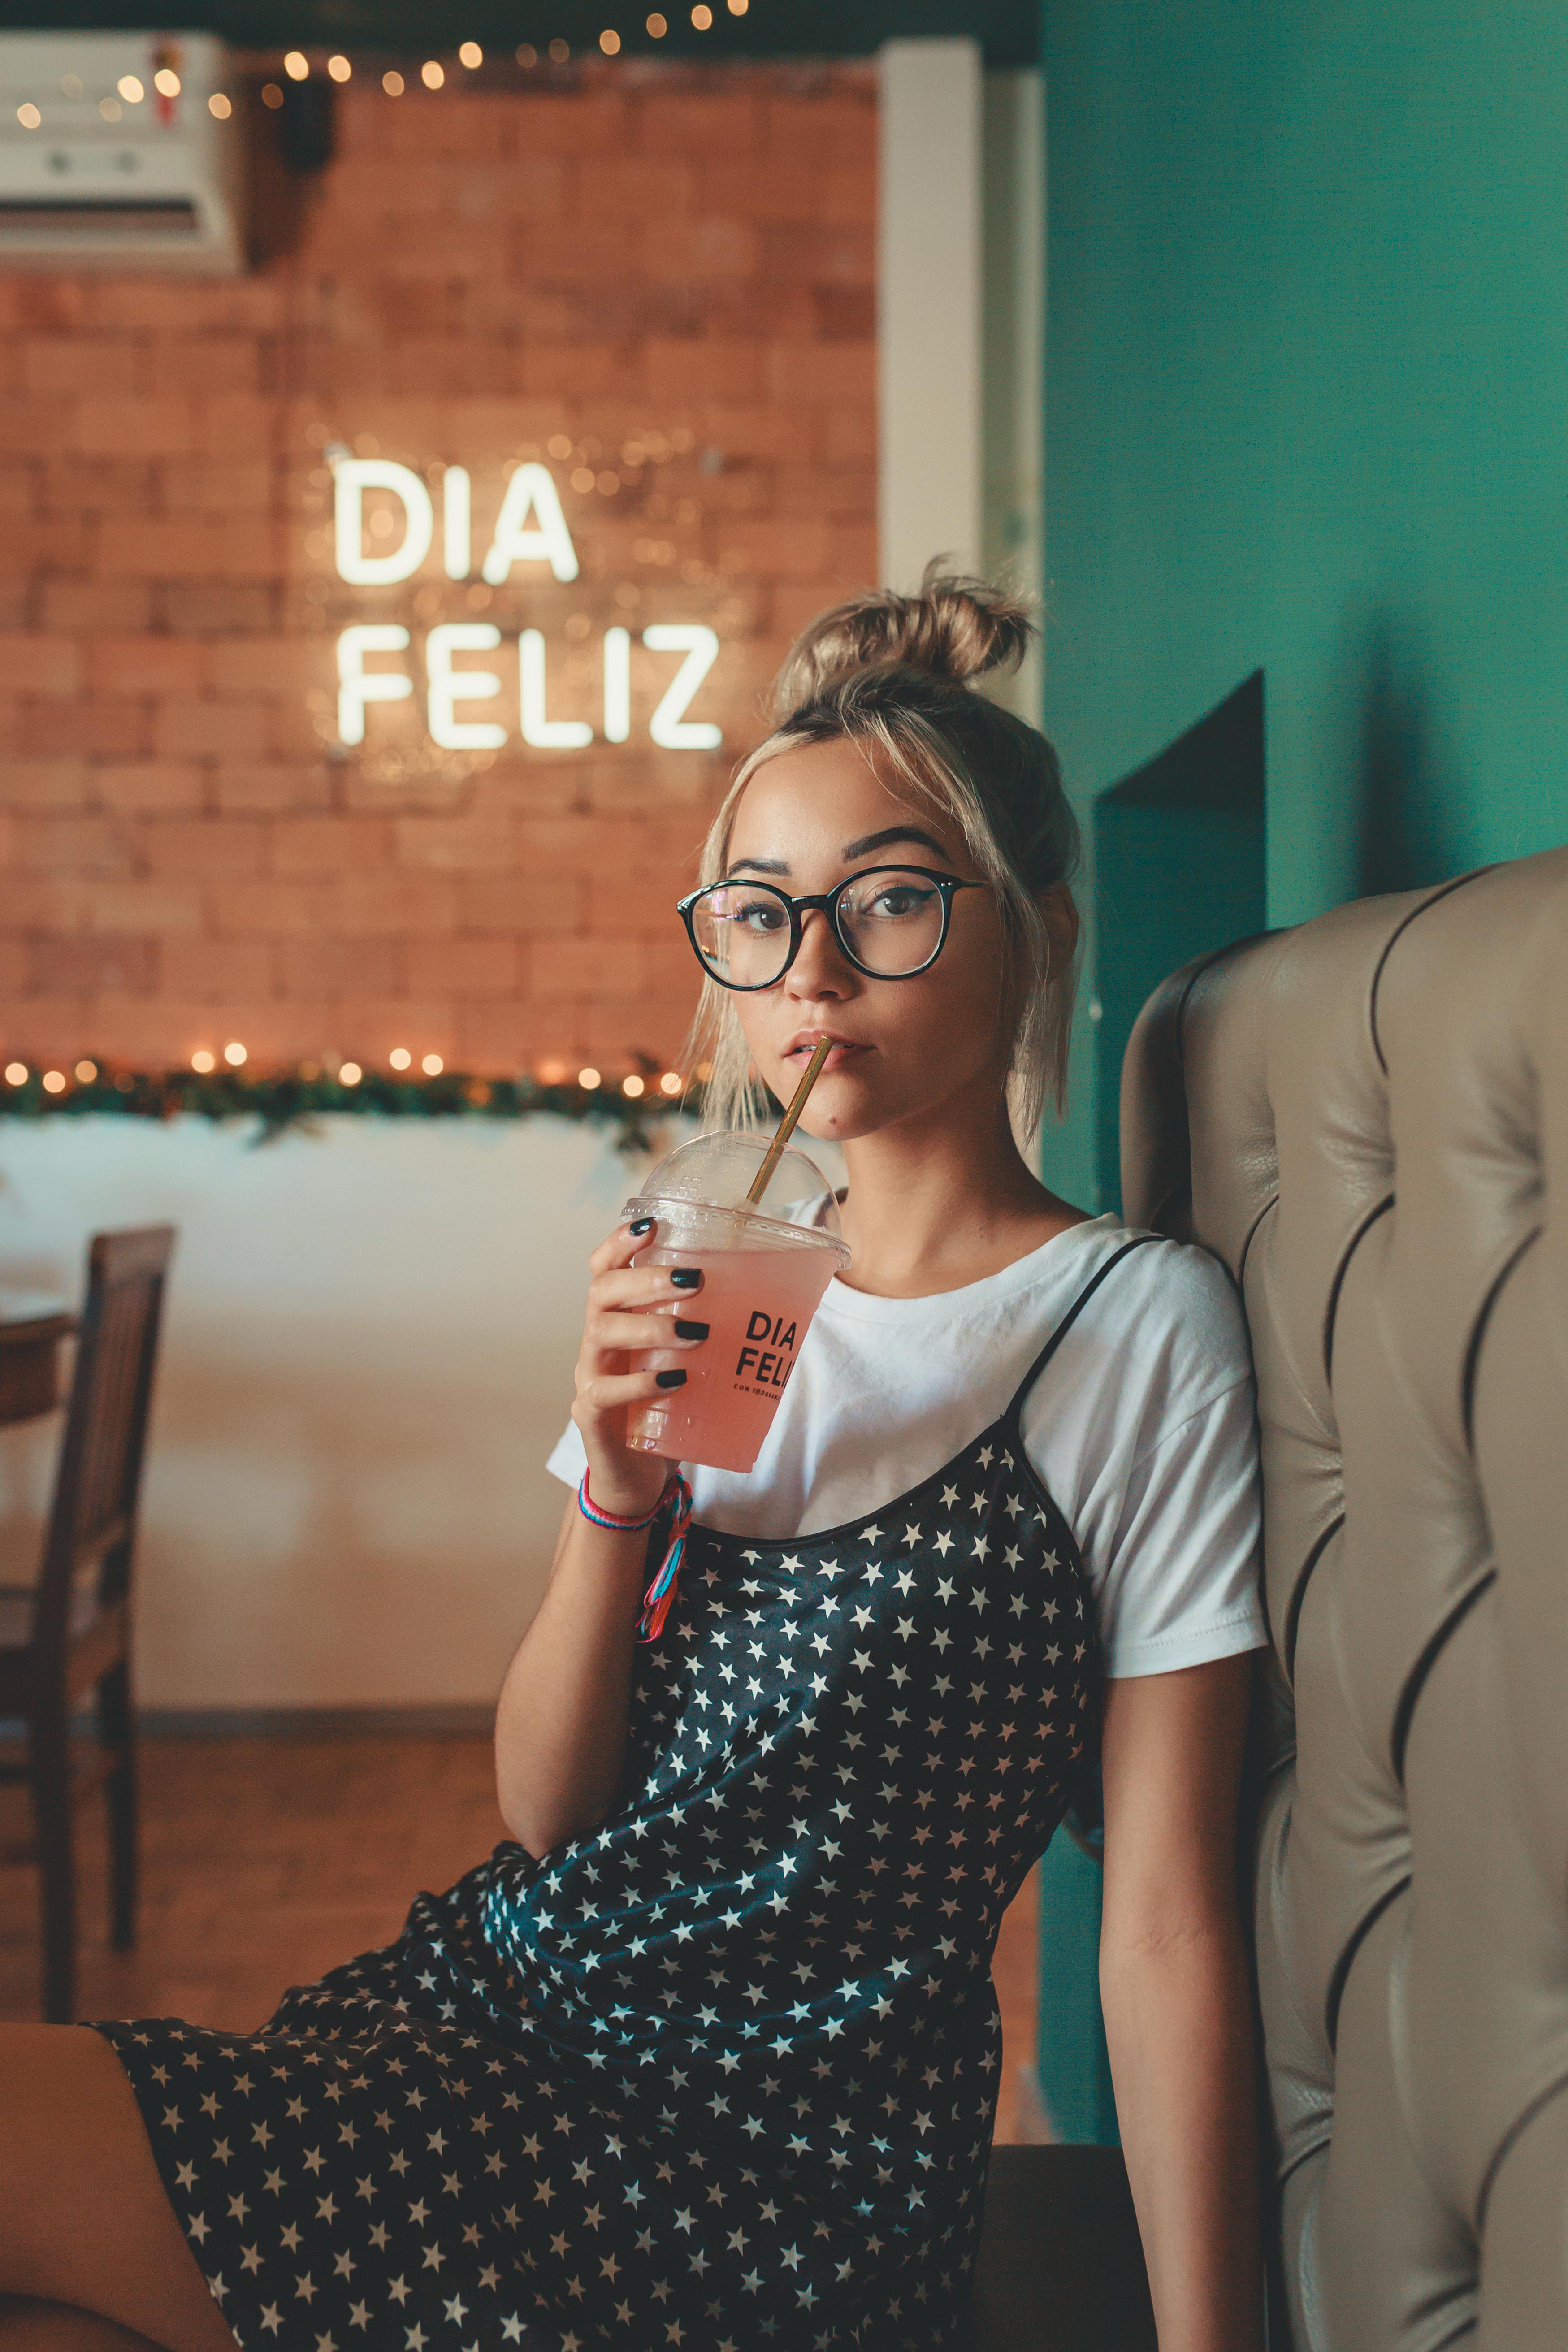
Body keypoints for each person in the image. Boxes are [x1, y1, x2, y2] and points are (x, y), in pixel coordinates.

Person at [0, 571, 1267, 2352]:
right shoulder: (707, 1256)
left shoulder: (1127, 1329)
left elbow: (1163, 1922)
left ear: (1037, 929)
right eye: (758, 914)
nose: (810, 969)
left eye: (889, 900)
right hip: (511, 2019)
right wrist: (611, 1486)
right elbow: (546, 1813)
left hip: (770, 2177)